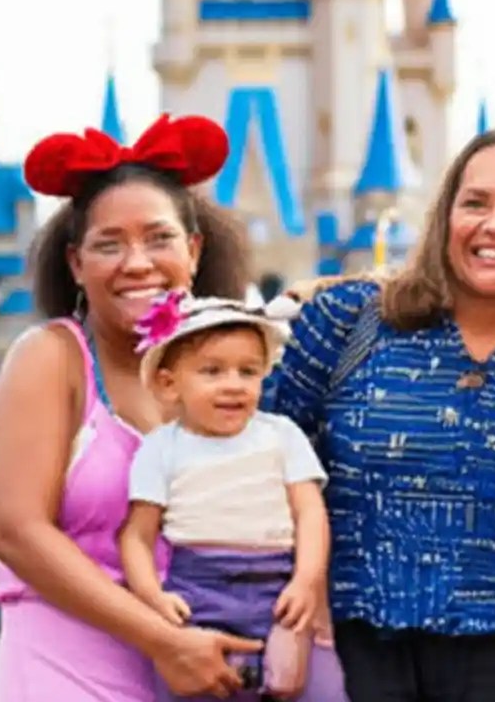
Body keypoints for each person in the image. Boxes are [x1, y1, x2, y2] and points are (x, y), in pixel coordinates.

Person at [265, 127, 495, 702]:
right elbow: (257, 464)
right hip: (337, 651)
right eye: (475, 203)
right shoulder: (348, 320)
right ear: (445, 220)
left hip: (484, 662)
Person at [0, 113, 264, 701]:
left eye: (159, 239)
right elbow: (15, 530)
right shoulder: (52, 358)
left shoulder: (228, 370)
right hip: (69, 669)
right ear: (75, 264)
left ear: (193, 250)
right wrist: (164, 640)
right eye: (109, 244)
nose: (137, 263)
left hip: (198, 673)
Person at [120, 291, 348, 701]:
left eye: (248, 372)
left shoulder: (280, 434)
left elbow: (310, 512)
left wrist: (307, 579)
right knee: (197, 686)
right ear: (170, 385)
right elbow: (137, 534)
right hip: (198, 592)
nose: (233, 385)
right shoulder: (162, 447)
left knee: (319, 688)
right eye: (212, 371)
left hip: (278, 588)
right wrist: (152, 596)